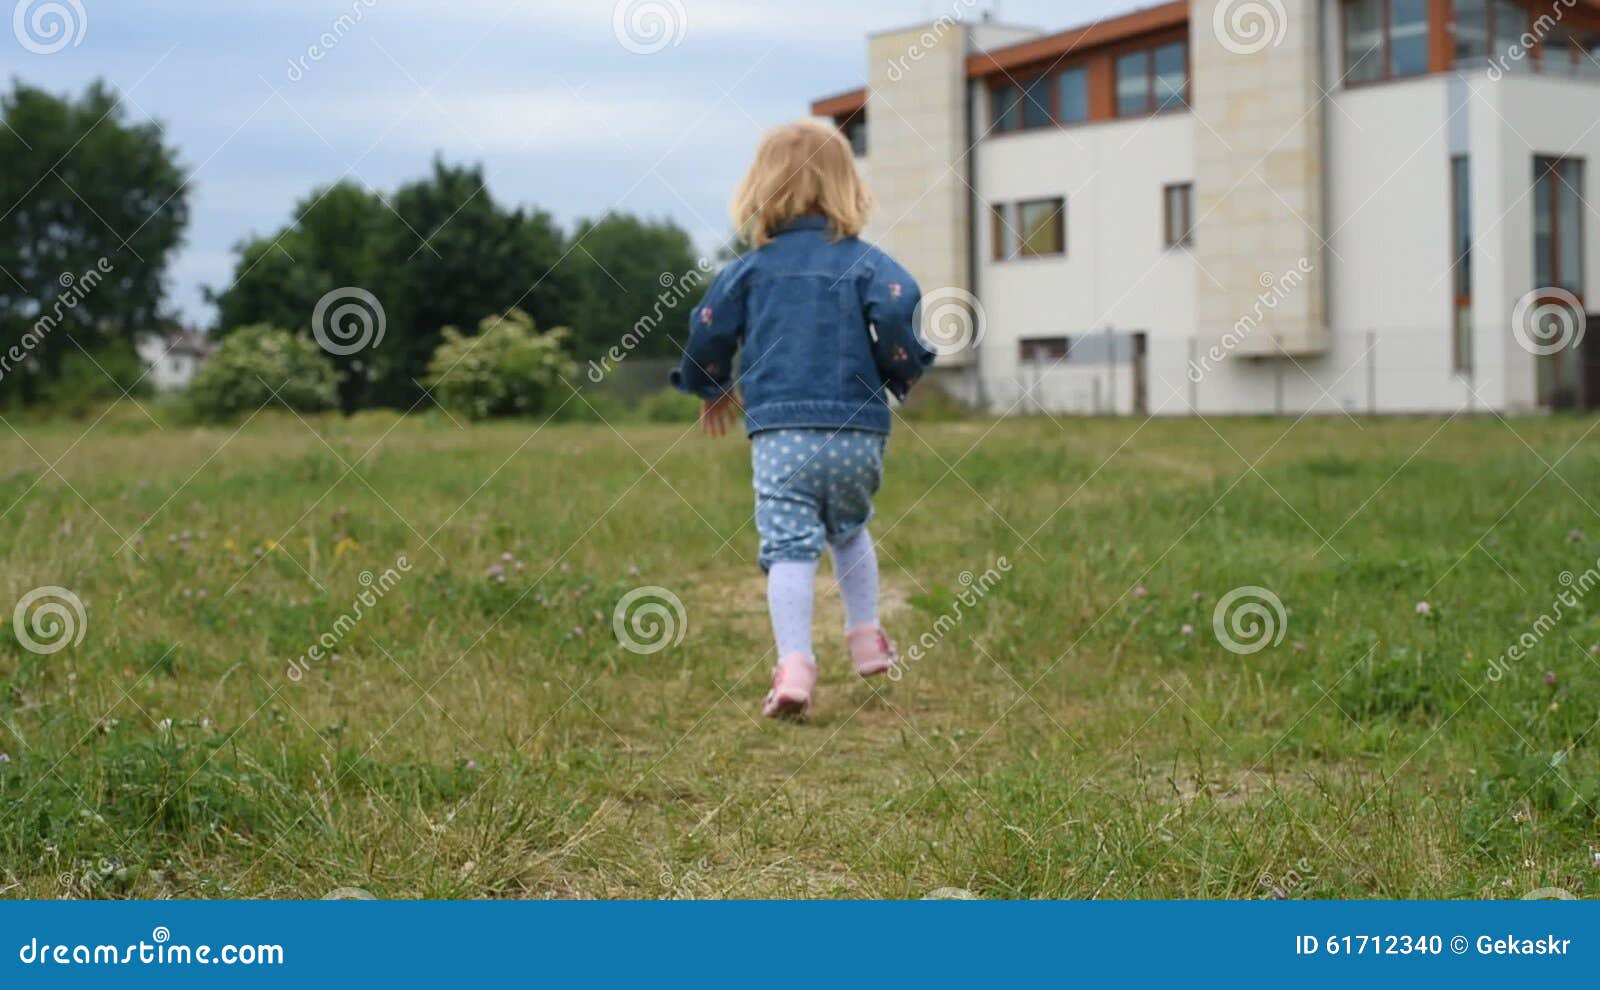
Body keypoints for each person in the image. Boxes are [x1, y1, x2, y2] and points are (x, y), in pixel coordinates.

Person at [671, 119, 935, 719]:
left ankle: (794, 665)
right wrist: (903, 369)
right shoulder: (867, 263)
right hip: (858, 432)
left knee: (790, 547)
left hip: (781, 435)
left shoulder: (749, 270)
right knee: (849, 527)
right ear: (847, 186)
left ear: (758, 189)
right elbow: (899, 304)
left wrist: (711, 385)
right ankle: (866, 633)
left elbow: (709, 324)